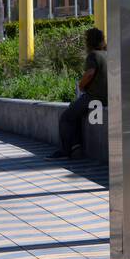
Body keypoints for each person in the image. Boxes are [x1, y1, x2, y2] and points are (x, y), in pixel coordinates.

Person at [49, 27, 108, 161]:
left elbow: (90, 73)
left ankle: (65, 151)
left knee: (66, 117)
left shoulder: (93, 55)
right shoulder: (107, 54)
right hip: (107, 98)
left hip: (94, 97)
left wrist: (81, 86)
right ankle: (76, 147)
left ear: (89, 41)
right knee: (74, 111)